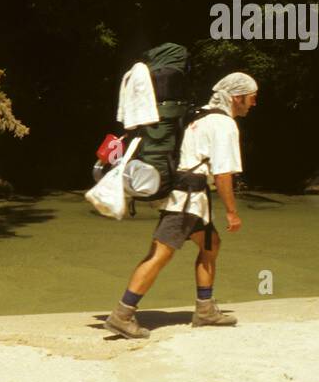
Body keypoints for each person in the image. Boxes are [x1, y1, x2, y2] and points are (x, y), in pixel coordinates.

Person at [105, 73, 258, 339]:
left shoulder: (200, 116)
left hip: (188, 195)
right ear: (237, 97)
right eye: (252, 98)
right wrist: (232, 212)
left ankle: (205, 310)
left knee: (211, 243)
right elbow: (223, 174)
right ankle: (122, 315)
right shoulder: (224, 125)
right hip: (188, 198)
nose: (254, 104)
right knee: (159, 254)